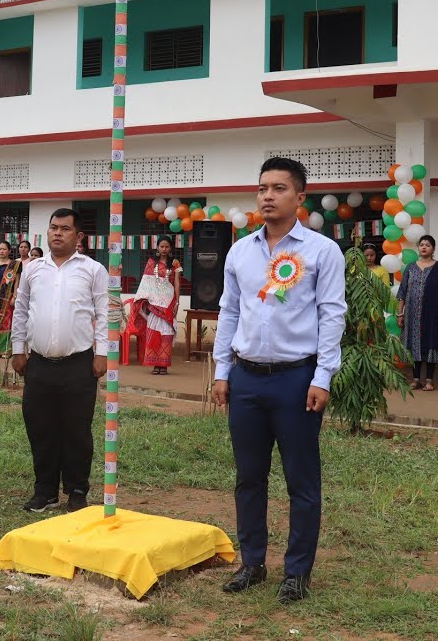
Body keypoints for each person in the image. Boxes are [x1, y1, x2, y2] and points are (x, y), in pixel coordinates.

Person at [212, 157, 346, 604]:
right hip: (246, 379)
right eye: (263, 188)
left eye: (279, 188)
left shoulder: (321, 251)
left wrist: (322, 376)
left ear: (300, 197)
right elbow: (229, 311)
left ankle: (297, 571)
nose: (268, 196)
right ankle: (252, 562)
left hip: (297, 379)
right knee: (249, 477)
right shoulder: (240, 251)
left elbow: (332, 315)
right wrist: (221, 372)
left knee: (300, 481)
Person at [10, 208, 109, 513]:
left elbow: (105, 313)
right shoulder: (33, 269)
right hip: (38, 363)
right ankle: (45, 490)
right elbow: (22, 308)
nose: (57, 233)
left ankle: (77, 491)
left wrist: (102, 352)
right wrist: (17, 347)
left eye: (65, 229)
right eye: (53, 227)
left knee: (76, 430)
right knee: (40, 427)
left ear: (79, 236)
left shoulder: (93, 270)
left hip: (79, 363)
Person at [396, 235, 438, 391]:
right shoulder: (410, 268)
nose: (424, 247)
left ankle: (429, 380)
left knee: (431, 345)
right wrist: (400, 314)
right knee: (414, 346)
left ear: (433, 249)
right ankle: (415, 379)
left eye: (428, 245)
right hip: (412, 315)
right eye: (421, 245)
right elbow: (402, 292)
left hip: (433, 314)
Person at [130, 236, 181, 375]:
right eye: (161, 246)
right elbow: (146, 282)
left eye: (167, 247)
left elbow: (177, 283)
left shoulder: (175, 263)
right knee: (153, 332)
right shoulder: (152, 263)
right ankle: (155, 364)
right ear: (157, 247)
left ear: (171, 248)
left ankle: (163, 365)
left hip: (169, 303)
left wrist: (177, 302)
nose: (164, 249)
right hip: (153, 303)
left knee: (166, 332)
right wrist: (144, 299)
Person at [0, 240, 23, 356]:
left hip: (7, 299)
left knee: (6, 323)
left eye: (4, 249)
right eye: (0, 249)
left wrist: (15, 296)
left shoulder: (15, 265)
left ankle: (5, 349)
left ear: (9, 251)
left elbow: (17, 282)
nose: (2, 251)